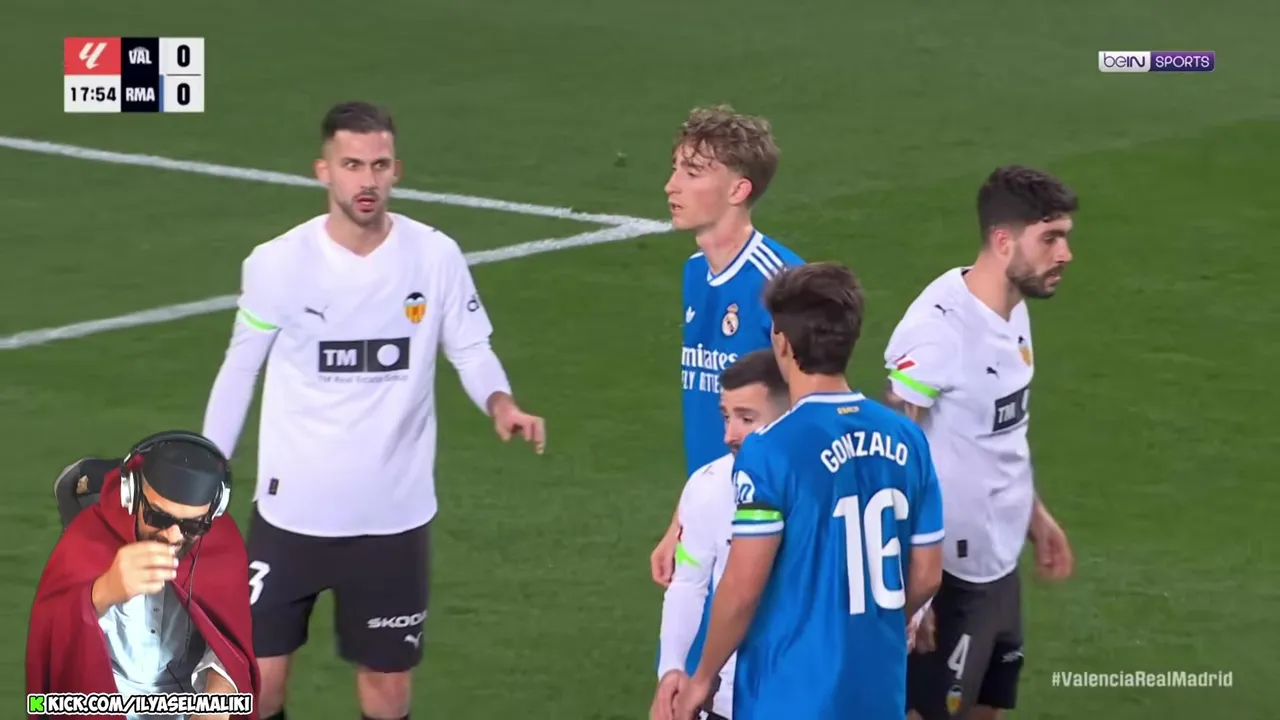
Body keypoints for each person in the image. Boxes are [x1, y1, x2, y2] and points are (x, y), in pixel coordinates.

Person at [200, 101, 546, 720]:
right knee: (255, 686)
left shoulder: (434, 256)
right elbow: (240, 368)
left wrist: (501, 402)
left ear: (396, 171)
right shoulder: (277, 263)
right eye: (352, 165)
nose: (367, 180)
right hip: (293, 515)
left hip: (392, 518)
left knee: (387, 691)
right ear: (324, 171)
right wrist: (207, 464)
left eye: (379, 165)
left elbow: (470, 347)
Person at [667, 262, 945, 720]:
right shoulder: (907, 438)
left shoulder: (770, 449)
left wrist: (704, 676)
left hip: (790, 695)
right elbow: (928, 574)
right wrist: (879, 626)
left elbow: (741, 588)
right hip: (879, 689)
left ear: (780, 342)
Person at [883, 165, 1077, 720]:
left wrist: (1035, 518)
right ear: (1003, 241)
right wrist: (912, 588)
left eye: (1065, 237)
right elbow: (891, 458)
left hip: (999, 562)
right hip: (947, 576)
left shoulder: (1012, 307)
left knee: (988, 708)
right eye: (1050, 238)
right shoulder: (939, 332)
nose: (1065, 254)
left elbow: (1000, 433)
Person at [651, 105, 804, 588]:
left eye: (692, 172)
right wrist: (682, 519)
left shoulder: (781, 282)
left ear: (738, 190)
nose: (671, 186)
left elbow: (814, 408)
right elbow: (706, 415)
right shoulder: (695, 273)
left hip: (766, 515)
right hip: (709, 508)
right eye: (675, 168)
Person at [27, 431, 257, 720]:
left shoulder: (223, 546)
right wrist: (100, 594)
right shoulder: (87, 537)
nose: (173, 537)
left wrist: (217, 700)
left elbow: (230, 644)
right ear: (132, 496)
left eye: (192, 526)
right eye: (158, 517)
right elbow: (49, 635)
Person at [650, 350, 791, 720]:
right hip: (723, 698)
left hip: (800, 696)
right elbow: (688, 583)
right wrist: (671, 669)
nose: (730, 435)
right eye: (726, 417)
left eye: (746, 418)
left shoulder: (822, 484)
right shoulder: (707, 485)